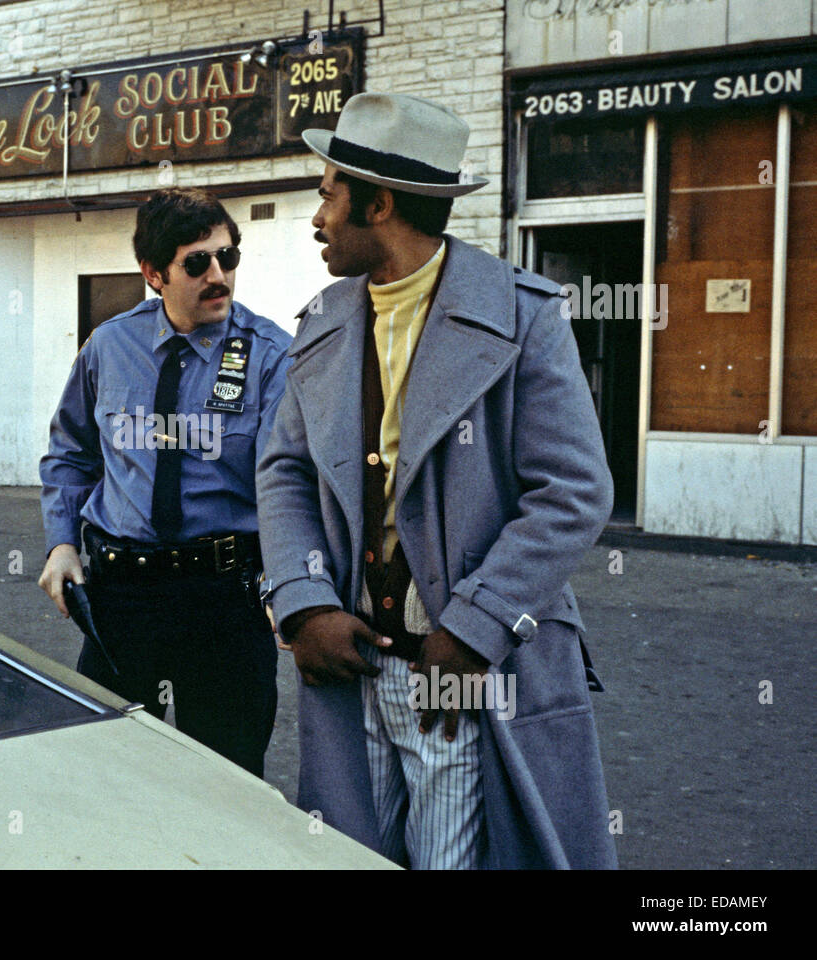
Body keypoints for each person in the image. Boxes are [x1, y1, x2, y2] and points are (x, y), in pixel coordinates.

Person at [256, 92, 617, 868]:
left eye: (327, 194)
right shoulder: (322, 319)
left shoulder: (523, 317)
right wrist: (302, 601)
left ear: (378, 203)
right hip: (347, 662)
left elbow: (574, 492)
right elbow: (284, 472)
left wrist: (478, 625)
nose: (316, 217)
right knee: (348, 855)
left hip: (461, 671)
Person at [38, 188, 292, 778]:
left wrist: (289, 581)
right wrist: (60, 541)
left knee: (227, 782)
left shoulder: (271, 356)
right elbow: (71, 453)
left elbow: (289, 485)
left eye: (228, 256)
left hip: (223, 601)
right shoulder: (109, 346)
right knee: (105, 773)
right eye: (197, 262)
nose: (219, 274)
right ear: (154, 273)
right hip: (122, 599)